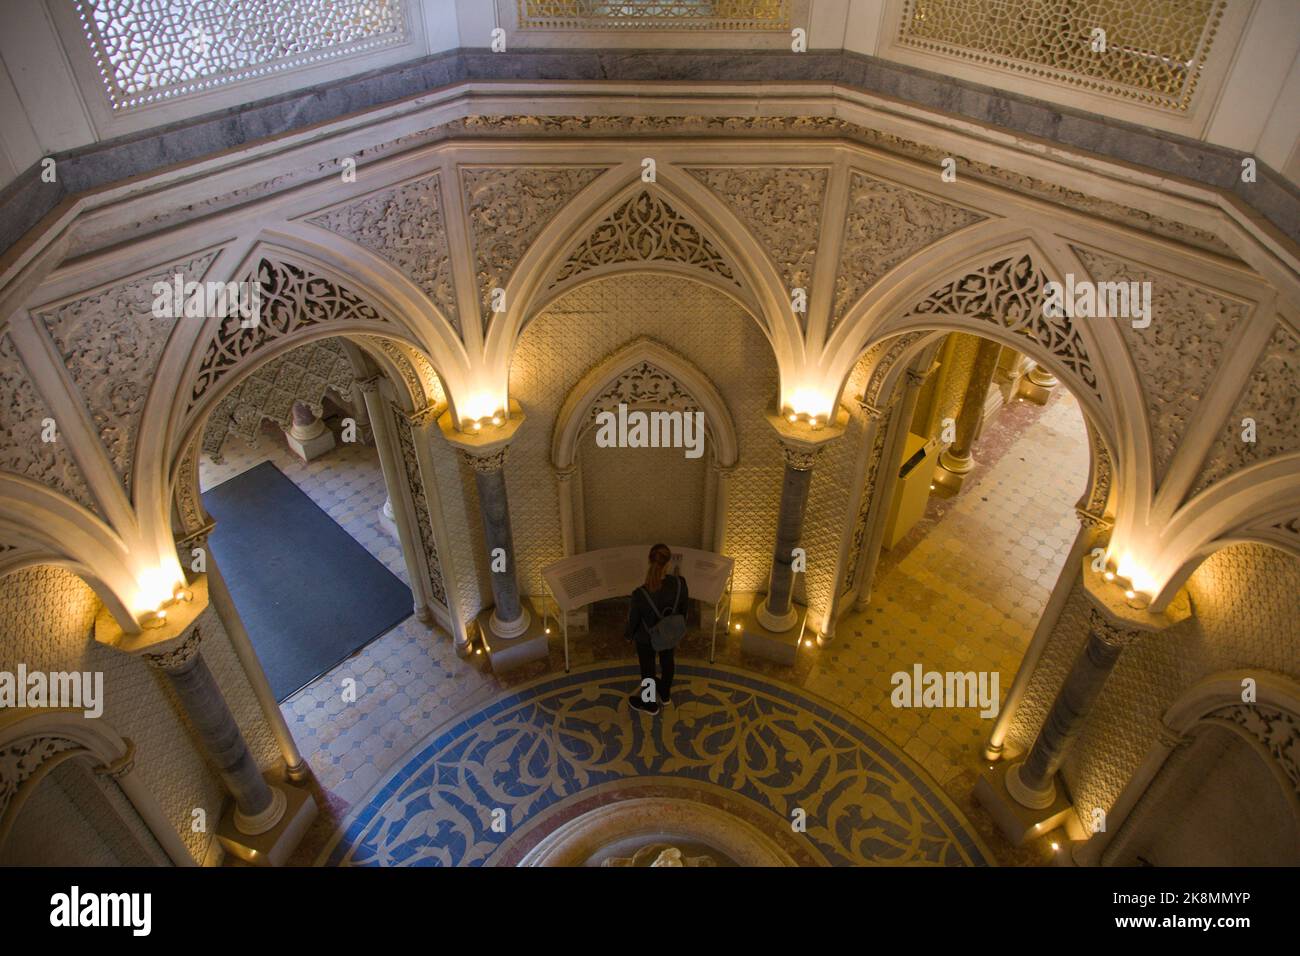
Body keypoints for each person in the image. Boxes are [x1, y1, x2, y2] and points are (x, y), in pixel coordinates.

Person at [625, 543, 688, 715]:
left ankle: (649, 703)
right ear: (668, 563)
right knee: (668, 661)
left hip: (647, 637)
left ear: (649, 561)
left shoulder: (640, 593)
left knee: (648, 669)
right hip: (670, 632)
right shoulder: (680, 583)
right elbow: (684, 610)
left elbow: (634, 620)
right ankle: (665, 695)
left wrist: (628, 635)